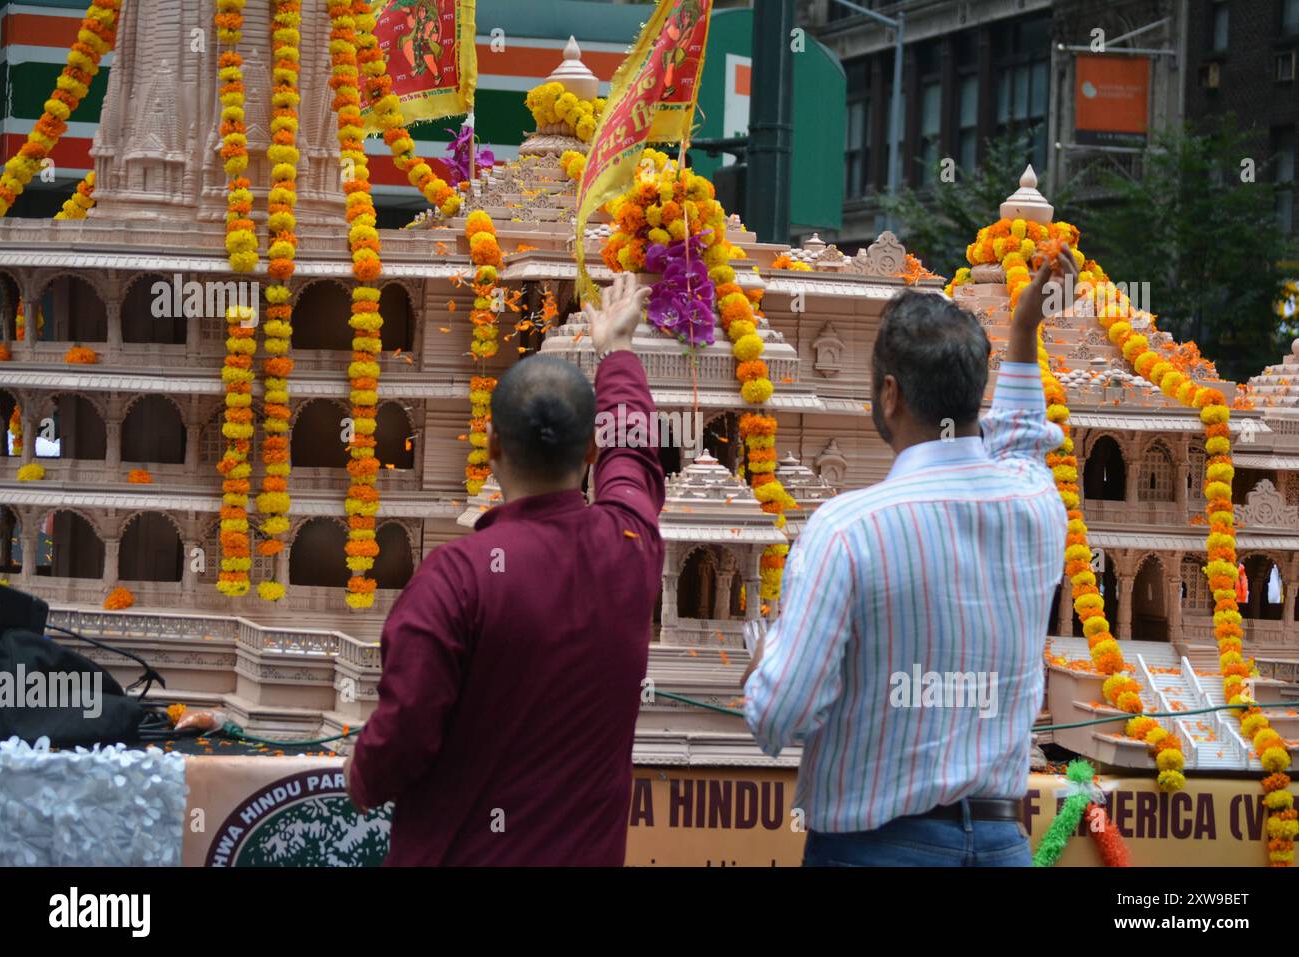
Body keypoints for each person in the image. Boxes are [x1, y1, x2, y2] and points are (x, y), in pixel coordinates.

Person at [742, 250, 1076, 866]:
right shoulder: (1037, 506)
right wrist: (1026, 330)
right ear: (976, 395)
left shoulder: (846, 531)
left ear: (889, 394)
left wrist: (764, 658)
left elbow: (778, 717)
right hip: (1002, 844)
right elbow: (1025, 437)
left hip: (877, 849)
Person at [344, 273, 663, 866]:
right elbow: (634, 456)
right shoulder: (628, 545)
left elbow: (402, 735)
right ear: (588, 451)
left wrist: (359, 772)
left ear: (489, 443)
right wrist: (616, 352)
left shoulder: (454, 579)